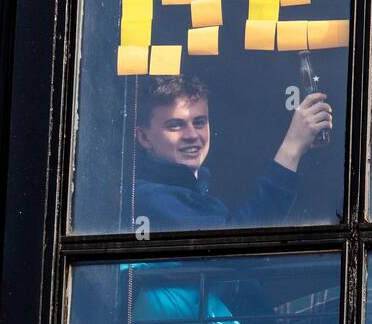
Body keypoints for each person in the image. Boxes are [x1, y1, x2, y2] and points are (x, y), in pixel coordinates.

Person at [133, 75, 332, 231]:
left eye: (200, 122)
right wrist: (292, 148)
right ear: (144, 138)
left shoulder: (195, 191)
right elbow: (236, 248)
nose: (192, 135)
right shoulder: (148, 198)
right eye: (175, 126)